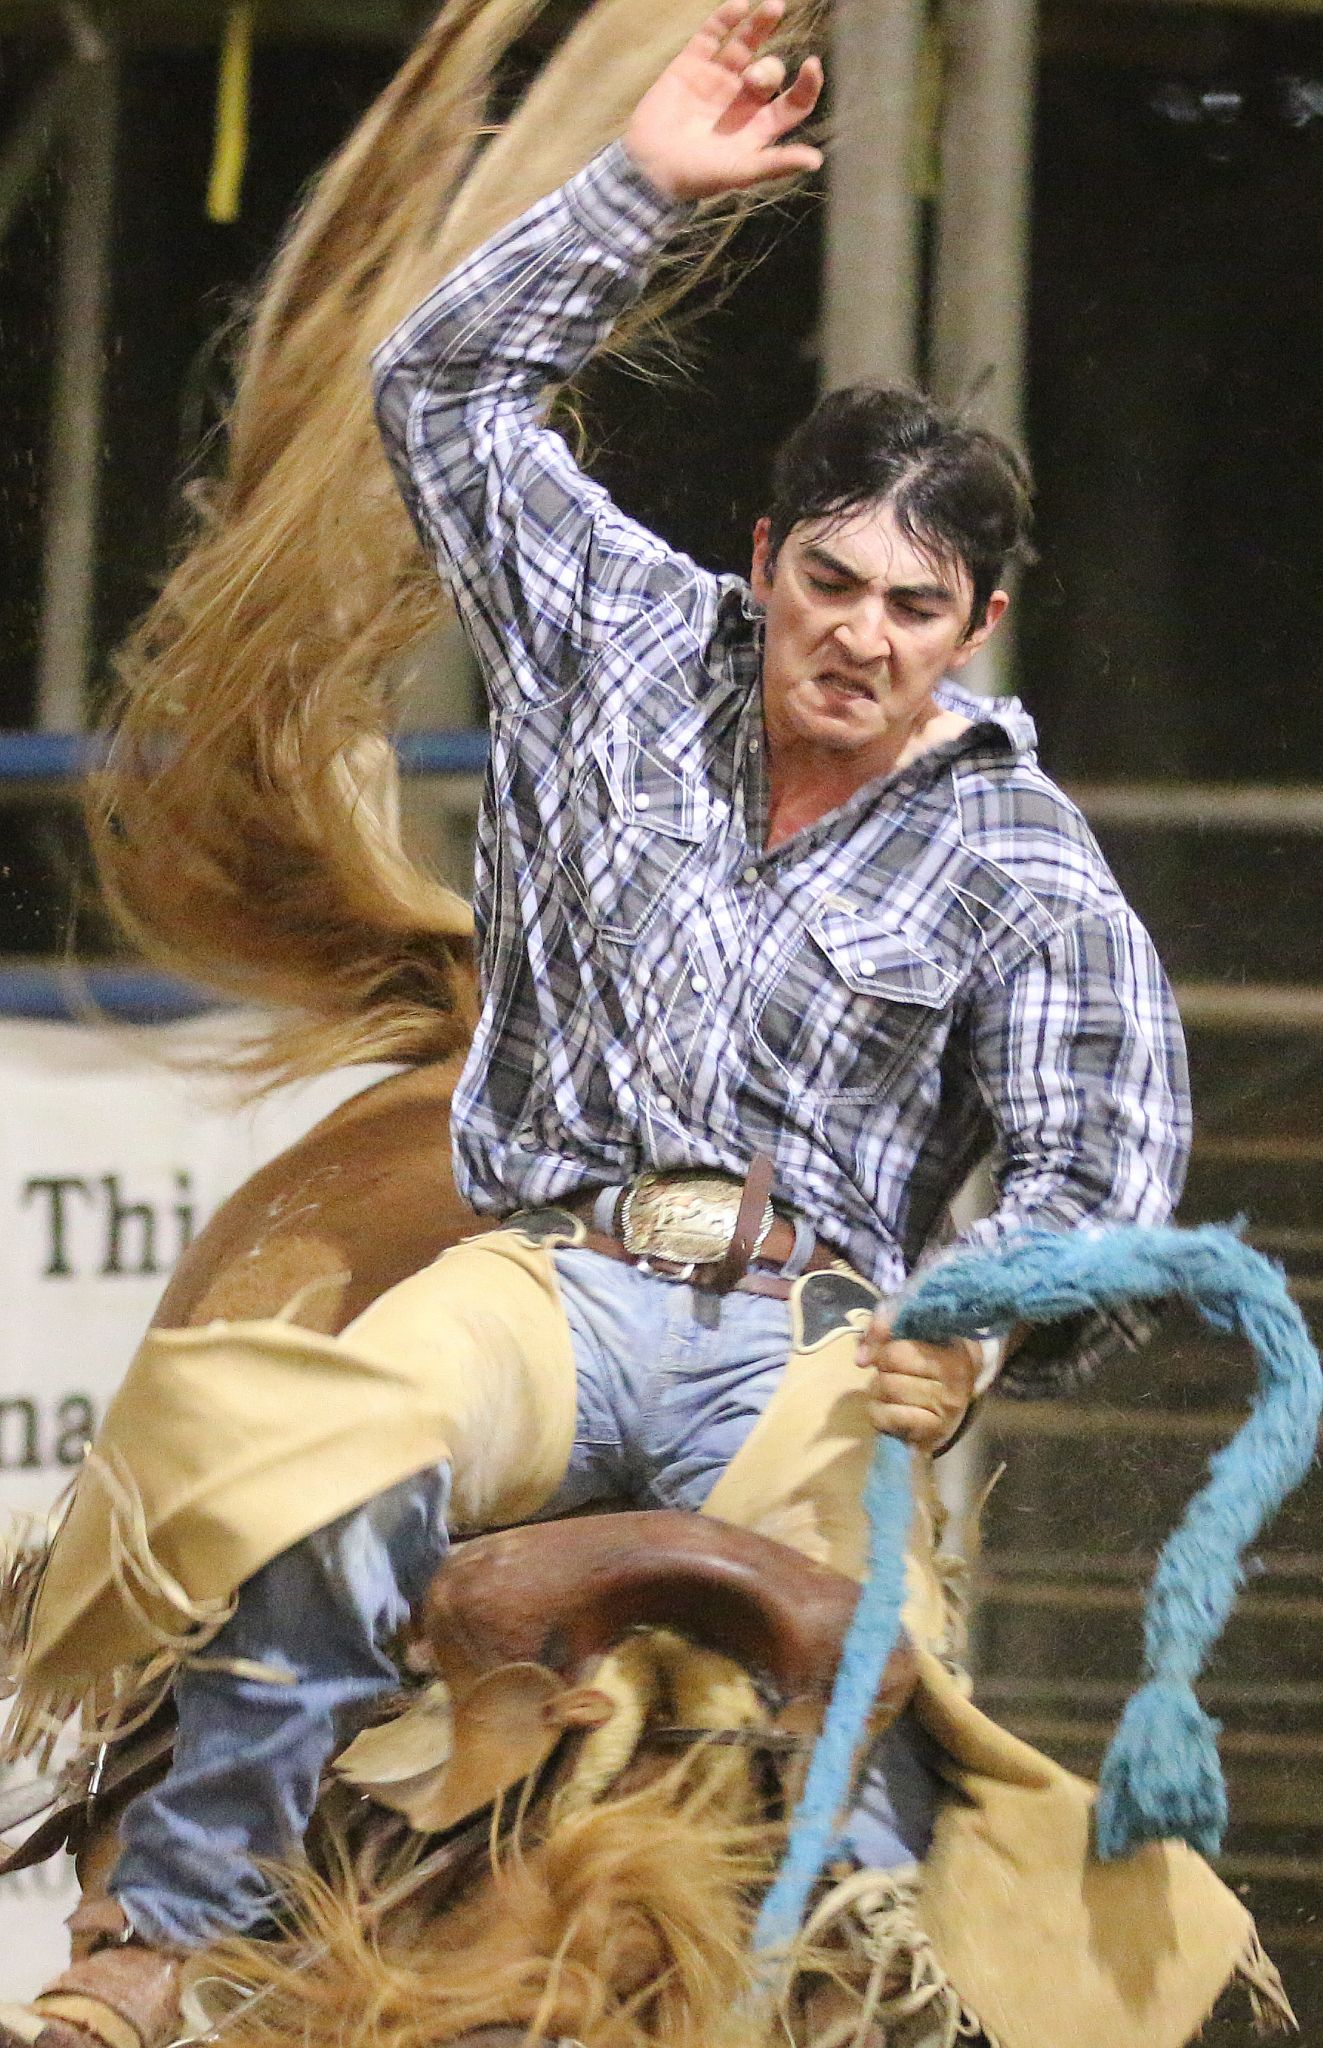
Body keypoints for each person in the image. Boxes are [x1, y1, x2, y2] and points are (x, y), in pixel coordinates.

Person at [0, 8, 1229, 2047]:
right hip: (556, 1277)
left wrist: (979, 1320)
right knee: (323, 1462)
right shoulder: (620, 638)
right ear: (764, 562)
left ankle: (861, 1975)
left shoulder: (1024, 857)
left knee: (862, 1643)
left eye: (909, 607)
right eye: (826, 580)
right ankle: (167, 1936)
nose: (854, 634)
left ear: (969, 628)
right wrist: (640, 187)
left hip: (808, 1330)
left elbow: (1105, 1152)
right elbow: (445, 392)